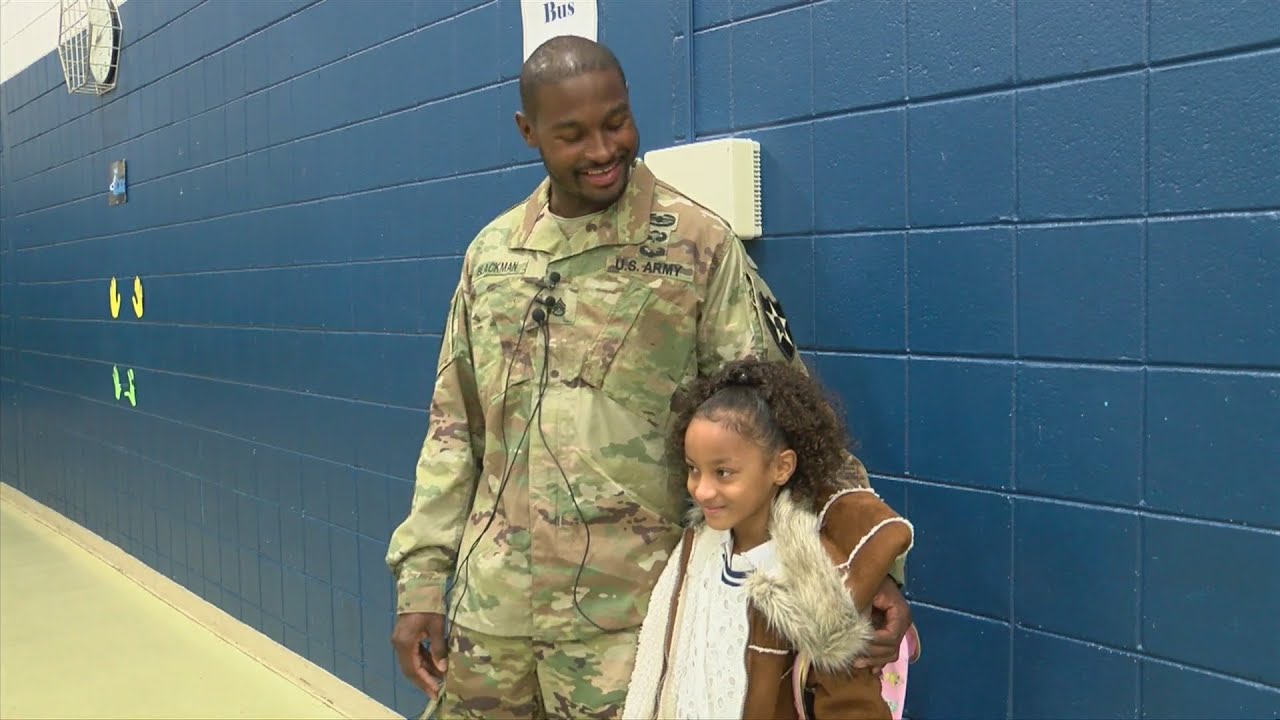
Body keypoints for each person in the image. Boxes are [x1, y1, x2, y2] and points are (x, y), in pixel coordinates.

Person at [385, 35, 913, 719]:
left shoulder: (695, 245)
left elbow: (785, 417)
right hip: (493, 617)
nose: (603, 150)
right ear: (529, 132)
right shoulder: (492, 256)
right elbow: (454, 431)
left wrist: (867, 562)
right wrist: (423, 583)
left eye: (617, 122)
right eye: (572, 134)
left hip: (629, 620)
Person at [622, 359, 920, 720]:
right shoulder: (696, 550)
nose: (701, 490)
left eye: (723, 472)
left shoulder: (816, 583)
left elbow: (852, 705)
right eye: (693, 468)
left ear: (782, 467)